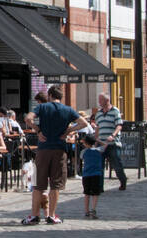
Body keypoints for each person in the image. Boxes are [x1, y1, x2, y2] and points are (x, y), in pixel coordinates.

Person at [21, 86, 87, 225]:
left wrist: (38, 130)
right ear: (61, 97)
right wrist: (69, 130)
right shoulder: (68, 109)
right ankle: (51, 215)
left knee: (38, 184)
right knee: (55, 185)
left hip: (44, 148)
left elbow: (28, 118)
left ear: (50, 95)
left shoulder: (43, 107)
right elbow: (83, 123)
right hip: (59, 149)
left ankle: (34, 215)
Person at [93, 94, 127, 191]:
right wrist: (95, 142)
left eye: (101, 100)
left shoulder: (115, 111)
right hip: (101, 143)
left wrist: (113, 135)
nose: (99, 102)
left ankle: (123, 181)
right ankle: (100, 187)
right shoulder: (98, 113)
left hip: (112, 143)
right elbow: (97, 128)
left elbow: (119, 125)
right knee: (99, 166)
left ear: (107, 100)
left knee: (117, 164)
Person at [80, 134, 104, 219]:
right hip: (96, 174)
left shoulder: (83, 152)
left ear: (86, 143)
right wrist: (97, 140)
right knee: (95, 193)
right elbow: (105, 145)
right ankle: (93, 209)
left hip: (86, 175)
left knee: (86, 193)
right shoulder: (99, 150)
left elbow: (81, 158)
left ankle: (86, 211)